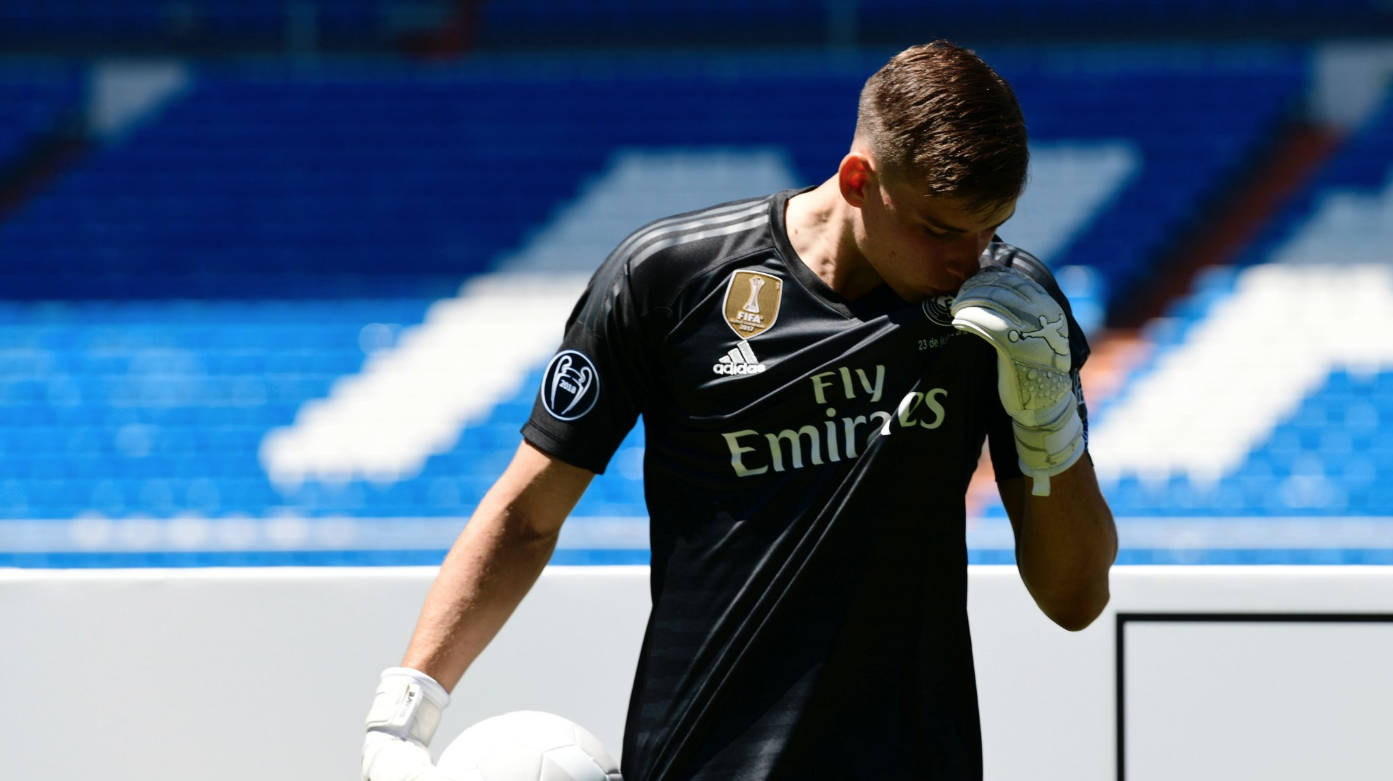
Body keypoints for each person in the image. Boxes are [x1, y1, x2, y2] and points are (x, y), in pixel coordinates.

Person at [362, 40, 1118, 781]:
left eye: (992, 228)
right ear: (858, 179)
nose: (968, 258)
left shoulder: (1007, 315)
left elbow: (1075, 598)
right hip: (697, 758)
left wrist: (1048, 417)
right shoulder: (669, 277)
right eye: (940, 229)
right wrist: (404, 712)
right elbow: (527, 516)